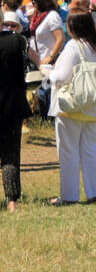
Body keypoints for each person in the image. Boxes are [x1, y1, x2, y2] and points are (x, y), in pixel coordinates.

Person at [47, 12, 96, 206]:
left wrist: (46, 71)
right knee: (91, 150)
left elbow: (61, 76)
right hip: (91, 105)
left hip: (71, 105)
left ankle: (69, 196)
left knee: (68, 152)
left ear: (72, 27)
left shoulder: (74, 46)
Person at [1, 11, 40, 211]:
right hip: (12, 105)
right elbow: (37, 61)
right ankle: (12, 200)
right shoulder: (18, 41)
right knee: (10, 153)